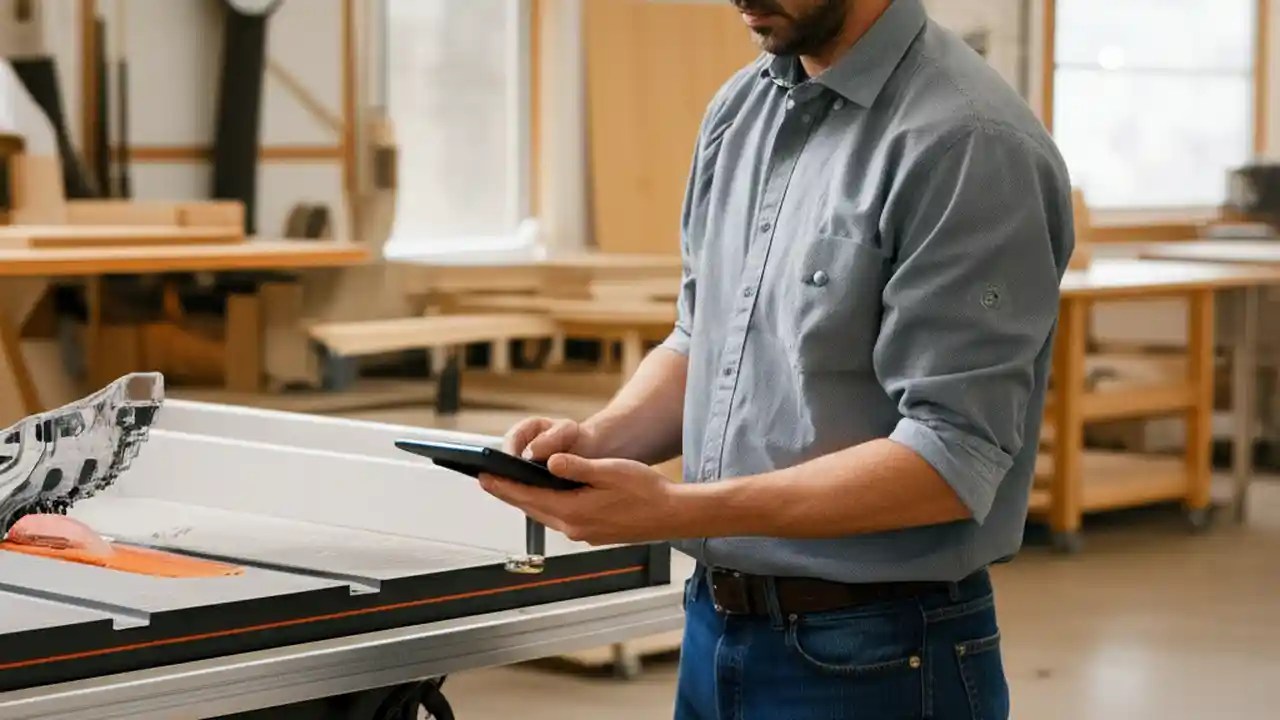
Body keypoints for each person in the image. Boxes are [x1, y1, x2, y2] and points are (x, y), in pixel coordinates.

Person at [479, 0, 1074, 717]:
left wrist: (673, 509)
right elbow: (702, 339)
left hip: (880, 654)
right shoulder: (740, 112)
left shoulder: (968, 144)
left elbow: (951, 457)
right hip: (716, 625)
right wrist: (597, 441)